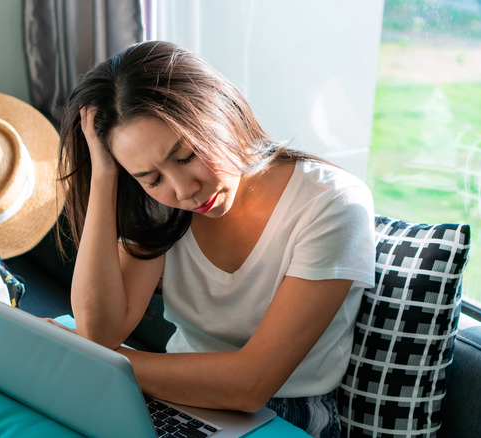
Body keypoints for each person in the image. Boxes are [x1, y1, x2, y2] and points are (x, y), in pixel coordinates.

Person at [57, 40, 375, 438]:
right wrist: (105, 177)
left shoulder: (331, 204)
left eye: (187, 155)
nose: (184, 190)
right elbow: (99, 334)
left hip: (286, 412)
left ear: (220, 112)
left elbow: (250, 386)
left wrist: (85, 355)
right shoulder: (160, 207)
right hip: (170, 393)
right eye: (151, 177)